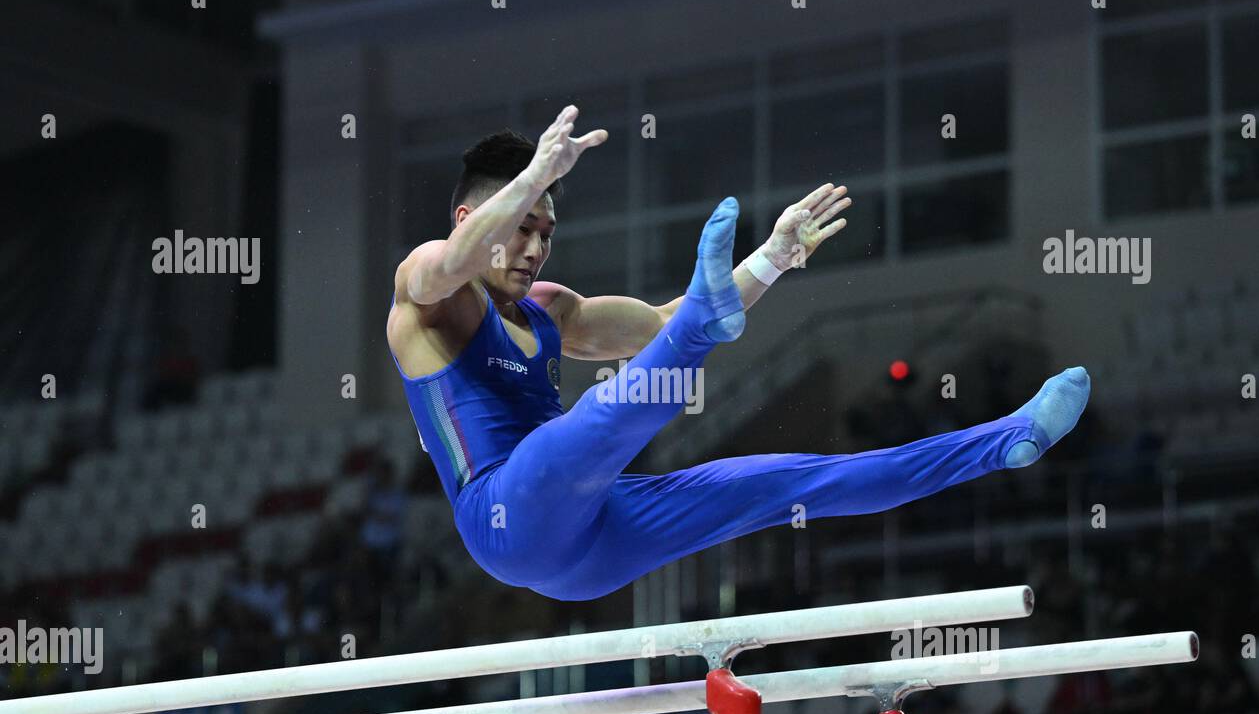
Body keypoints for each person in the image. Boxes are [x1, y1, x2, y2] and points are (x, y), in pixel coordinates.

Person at [387, 105, 1090, 602]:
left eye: (547, 230)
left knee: (789, 480)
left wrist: (774, 260)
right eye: (525, 225)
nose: (536, 246)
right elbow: (452, 261)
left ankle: (1003, 442)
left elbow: (663, 320)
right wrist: (535, 172)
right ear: (473, 217)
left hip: (592, 541)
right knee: (605, 415)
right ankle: (703, 331)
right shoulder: (427, 289)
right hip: (505, 514)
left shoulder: (550, 308)